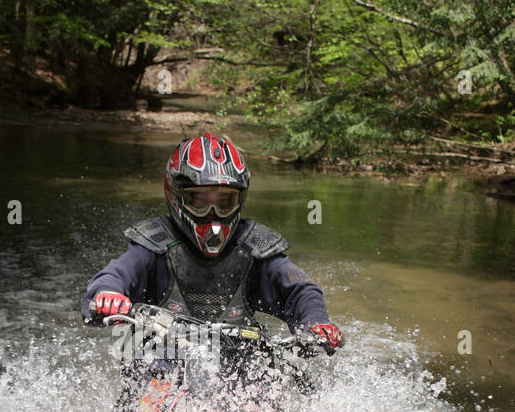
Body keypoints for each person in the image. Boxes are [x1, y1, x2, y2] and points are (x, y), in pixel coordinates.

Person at [81, 133, 342, 350]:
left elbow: (300, 289)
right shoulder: (153, 245)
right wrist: (108, 296)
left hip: (238, 363)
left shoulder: (256, 247)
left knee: (281, 379)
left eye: (224, 201)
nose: (213, 213)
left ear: (239, 201)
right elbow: (114, 276)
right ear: (176, 195)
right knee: (140, 363)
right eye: (200, 201)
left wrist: (315, 323)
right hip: (161, 361)